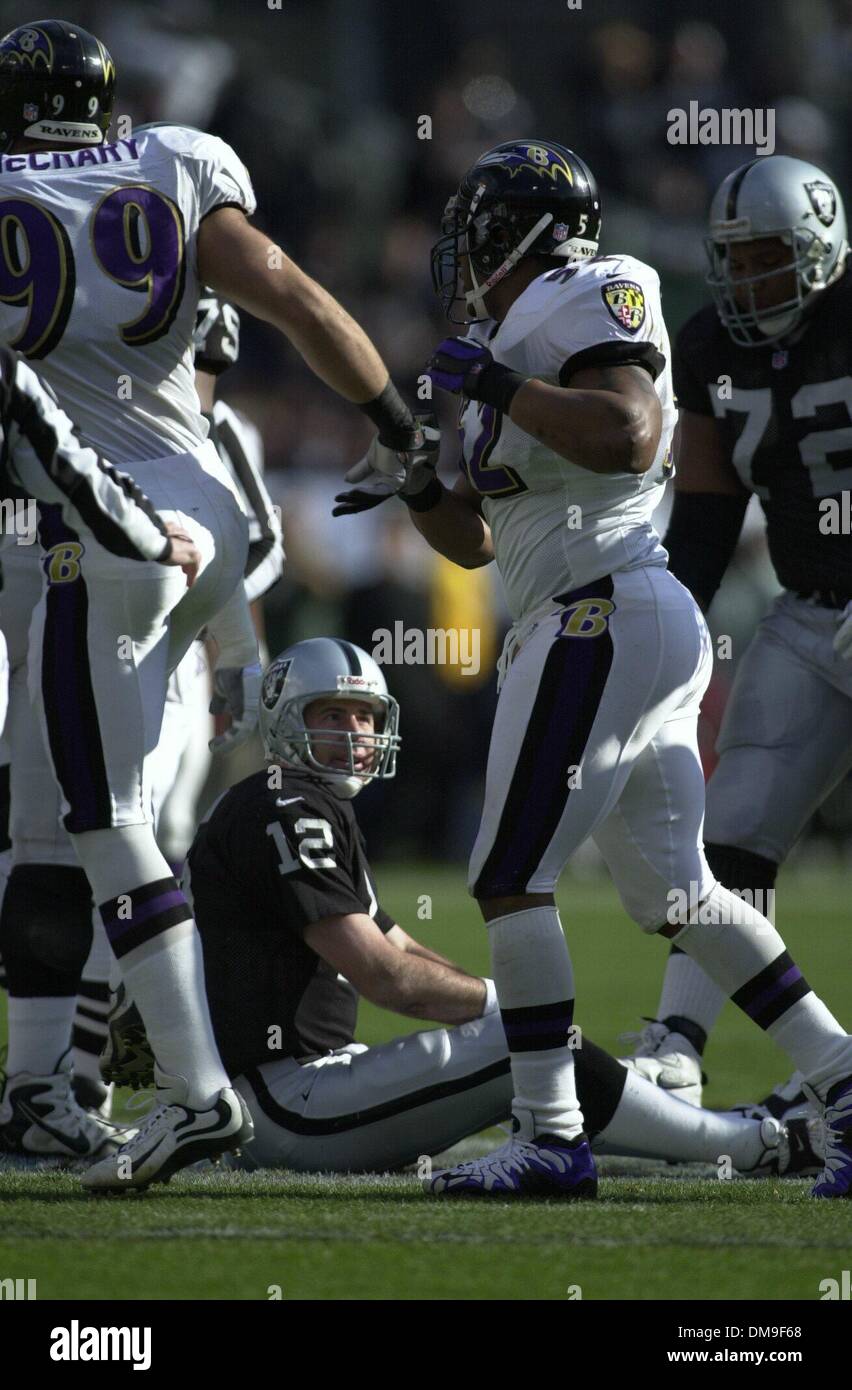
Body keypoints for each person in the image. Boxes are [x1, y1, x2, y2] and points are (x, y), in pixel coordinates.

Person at [335, 139, 852, 1201]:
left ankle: (552, 1133)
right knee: (678, 890)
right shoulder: (506, 335)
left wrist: (497, 382)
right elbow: (480, 545)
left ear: (518, 234)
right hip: (581, 610)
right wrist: (414, 486)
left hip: (603, 608)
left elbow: (629, 429)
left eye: (475, 236)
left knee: (507, 876)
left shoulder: (590, 291)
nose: (461, 259)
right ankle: (845, 1081)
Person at [0, 19, 430, 1191]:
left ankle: (195, 1094)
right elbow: (289, 292)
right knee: (56, 815)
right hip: (193, 516)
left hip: (104, 523)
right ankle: (45, 1085)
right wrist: (396, 424)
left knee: (105, 816)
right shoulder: (173, 163)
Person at [106, 639, 819, 1180]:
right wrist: (511, 1007)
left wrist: (510, 1006)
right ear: (288, 720)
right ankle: (751, 1143)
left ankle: (715, 1140)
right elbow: (385, 978)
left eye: (366, 716)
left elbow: (399, 942)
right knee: (525, 1045)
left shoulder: (300, 801)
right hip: (285, 1102)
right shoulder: (285, 806)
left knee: (530, 1045)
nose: (356, 733)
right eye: (333, 715)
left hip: (302, 1084)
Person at [621, 156, 852, 1122]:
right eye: (733, 260)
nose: (746, 281)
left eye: (764, 258)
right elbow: (709, 517)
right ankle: (677, 1044)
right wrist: (667, 631)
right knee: (731, 832)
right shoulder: (714, 340)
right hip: (805, 612)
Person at [0, 342, 198, 1157]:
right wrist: (149, 539)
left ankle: (38, 1090)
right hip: (64, 557)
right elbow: (57, 441)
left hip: (46, 566)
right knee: (88, 822)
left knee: (44, 828)